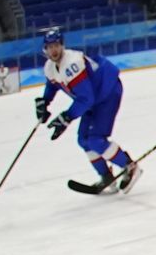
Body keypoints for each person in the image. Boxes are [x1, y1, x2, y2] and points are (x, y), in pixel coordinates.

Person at [37, 27, 137, 192]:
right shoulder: (50, 67)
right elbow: (53, 84)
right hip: (94, 98)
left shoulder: (72, 63)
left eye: (56, 45)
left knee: (95, 139)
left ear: (62, 45)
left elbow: (86, 98)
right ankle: (106, 177)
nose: (53, 50)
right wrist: (44, 102)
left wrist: (67, 117)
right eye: (49, 47)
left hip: (107, 93)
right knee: (83, 140)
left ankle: (130, 167)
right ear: (45, 49)